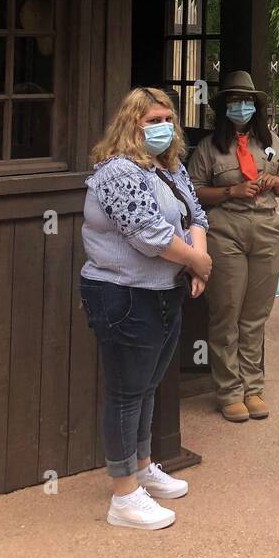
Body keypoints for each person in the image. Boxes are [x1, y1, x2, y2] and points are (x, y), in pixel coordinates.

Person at [80, 87, 212, 530]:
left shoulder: (169, 166)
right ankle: (123, 494)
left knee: (148, 384)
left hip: (162, 289)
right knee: (124, 391)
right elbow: (148, 233)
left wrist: (197, 264)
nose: (164, 127)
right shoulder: (117, 172)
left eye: (168, 119)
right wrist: (197, 261)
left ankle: (142, 466)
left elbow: (196, 217)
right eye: (153, 120)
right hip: (122, 293)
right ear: (131, 124)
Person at [189, 71, 279, 422]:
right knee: (227, 312)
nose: (241, 106)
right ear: (224, 108)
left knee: (255, 315)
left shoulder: (270, 141)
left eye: (246, 101)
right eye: (234, 101)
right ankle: (229, 391)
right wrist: (230, 191)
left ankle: (253, 388)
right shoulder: (209, 148)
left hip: (265, 230)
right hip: (225, 231)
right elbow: (192, 193)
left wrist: (275, 181)